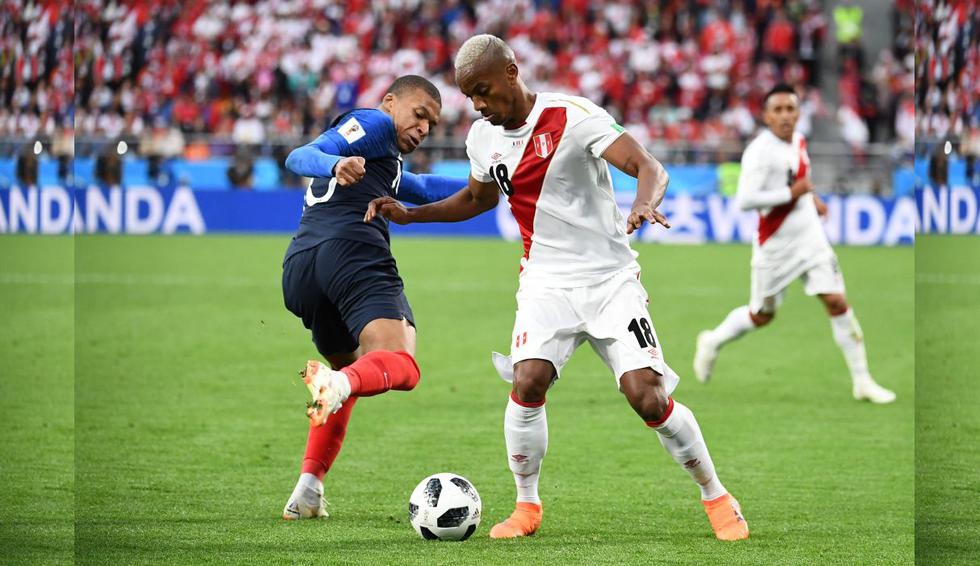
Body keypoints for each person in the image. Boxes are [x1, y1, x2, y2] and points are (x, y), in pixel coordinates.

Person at [365, 35, 749, 541]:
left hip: (610, 282)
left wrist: (642, 201)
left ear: (511, 72)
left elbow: (647, 166)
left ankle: (716, 496)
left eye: (482, 91)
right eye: (469, 97)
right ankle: (526, 506)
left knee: (648, 398)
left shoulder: (573, 115)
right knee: (527, 381)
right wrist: (413, 217)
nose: (478, 105)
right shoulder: (482, 138)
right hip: (545, 282)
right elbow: (478, 199)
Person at [280, 75, 466, 520]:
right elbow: (298, 155)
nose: (423, 129)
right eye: (419, 115)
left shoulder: (389, 161)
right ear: (389, 103)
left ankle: (308, 488)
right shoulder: (374, 125)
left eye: (432, 124)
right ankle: (336, 385)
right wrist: (333, 164)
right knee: (402, 364)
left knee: (353, 372)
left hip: (302, 269)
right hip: (351, 251)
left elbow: (421, 189)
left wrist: (492, 180)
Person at [692, 84, 896, 405]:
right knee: (762, 315)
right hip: (776, 245)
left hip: (811, 238)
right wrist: (793, 194)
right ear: (766, 116)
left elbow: (797, 179)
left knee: (836, 301)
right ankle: (712, 341)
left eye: (791, 109)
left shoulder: (798, 140)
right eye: (778, 110)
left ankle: (862, 380)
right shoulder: (759, 152)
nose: (786, 116)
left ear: (799, 113)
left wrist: (811, 199)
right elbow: (745, 200)